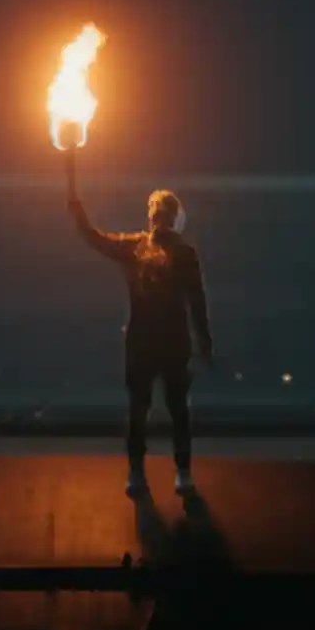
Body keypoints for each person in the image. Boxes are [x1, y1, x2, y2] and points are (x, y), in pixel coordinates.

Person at [68, 189, 213, 495]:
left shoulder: (134, 247)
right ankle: (183, 475)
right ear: (176, 217)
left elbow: (92, 236)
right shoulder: (186, 253)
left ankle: (136, 475)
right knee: (179, 411)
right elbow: (197, 304)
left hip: (140, 342)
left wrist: (76, 206)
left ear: (152, 215)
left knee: (137, 409)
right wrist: (205, 344)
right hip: (175, 342)